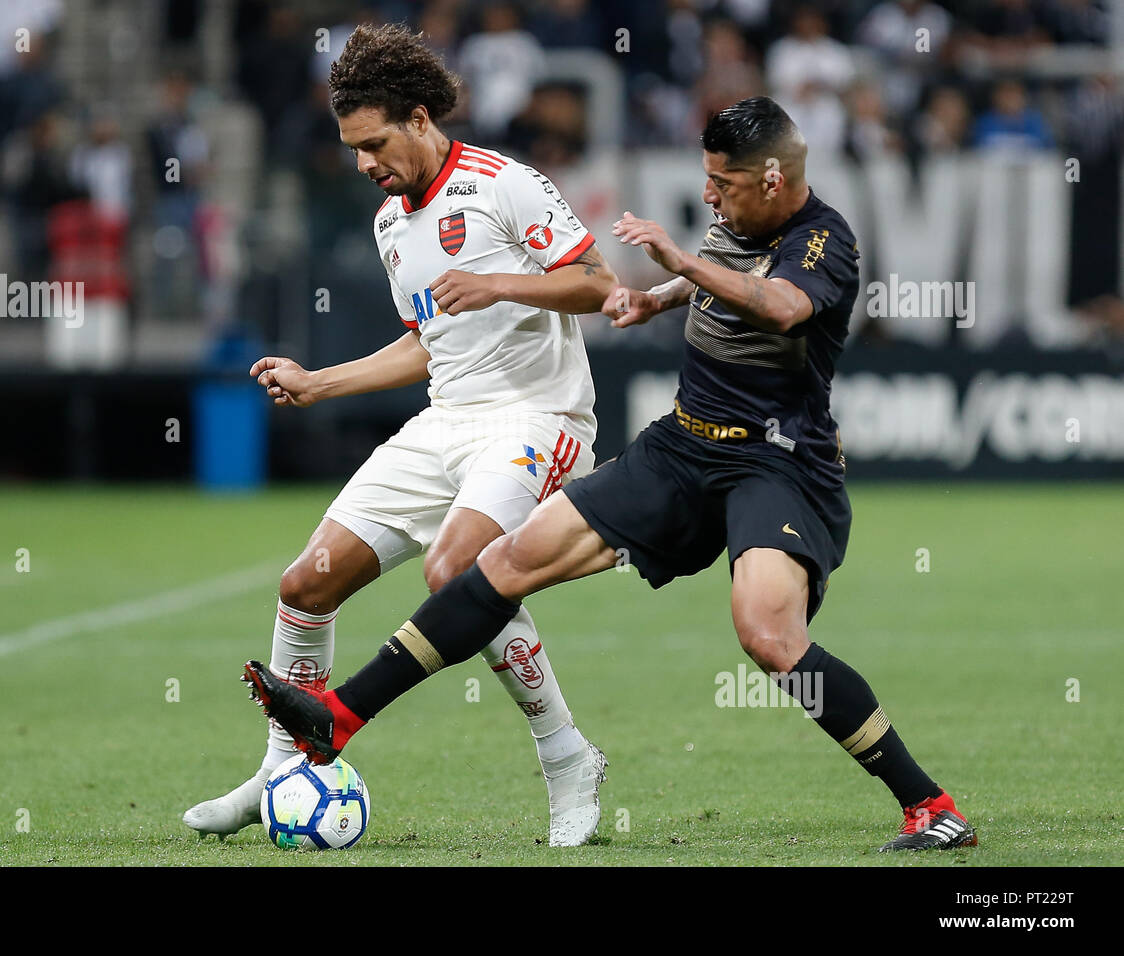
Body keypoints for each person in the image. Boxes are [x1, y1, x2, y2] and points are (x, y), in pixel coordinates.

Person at [248, 96, 979, 853]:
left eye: (721, 184)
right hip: (683, 447)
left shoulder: (827, 241)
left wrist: (679, 261)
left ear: (772, 180)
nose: (708, 197)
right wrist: (654, 298)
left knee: (767, 634)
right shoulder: (738, 221)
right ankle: (340, 717)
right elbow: (716, 277)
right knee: (499, 564)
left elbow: (784, 305)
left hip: (777, 462)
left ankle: (929, 805)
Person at [184, 24, 619, 846]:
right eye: (351, 147)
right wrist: (321, 381)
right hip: (445, 420)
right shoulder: (391, 224)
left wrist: (496, 283)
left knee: (458, 571)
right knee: (304, 584)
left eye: (374, 143)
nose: (363, 163)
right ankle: (284, 766)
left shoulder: (506, 184)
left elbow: (601, 287)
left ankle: (566, 756)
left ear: (421, 119)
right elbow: (427, 341)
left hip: (536, 417)